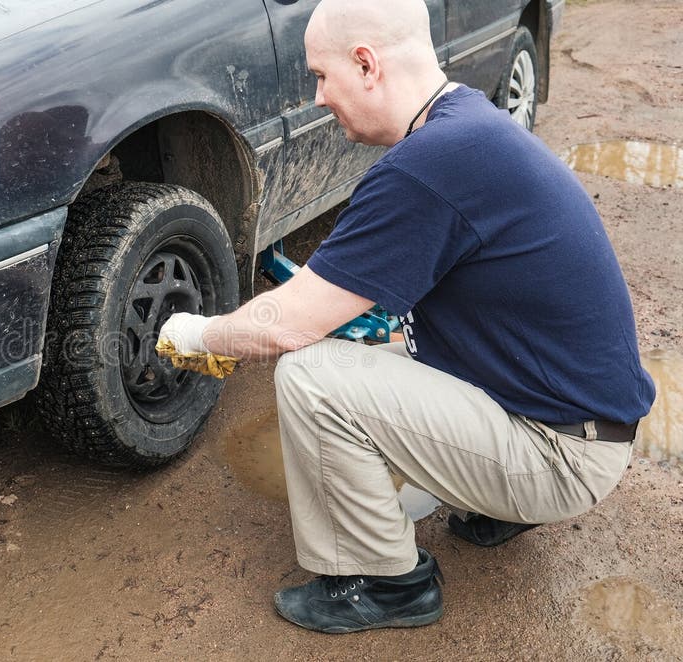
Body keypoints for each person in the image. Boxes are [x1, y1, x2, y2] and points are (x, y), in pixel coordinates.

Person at [156, 0, 655, 635]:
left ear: (366, 64)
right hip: (581, 421)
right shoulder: (466, 124)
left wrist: (194, 333)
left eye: (322, 75)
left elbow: (287, 324)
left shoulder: (429, 165)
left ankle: (385, 583)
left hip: (563, 455)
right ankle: (499, 502)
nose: (318, 97)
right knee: (366, 358)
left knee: (312, 377)